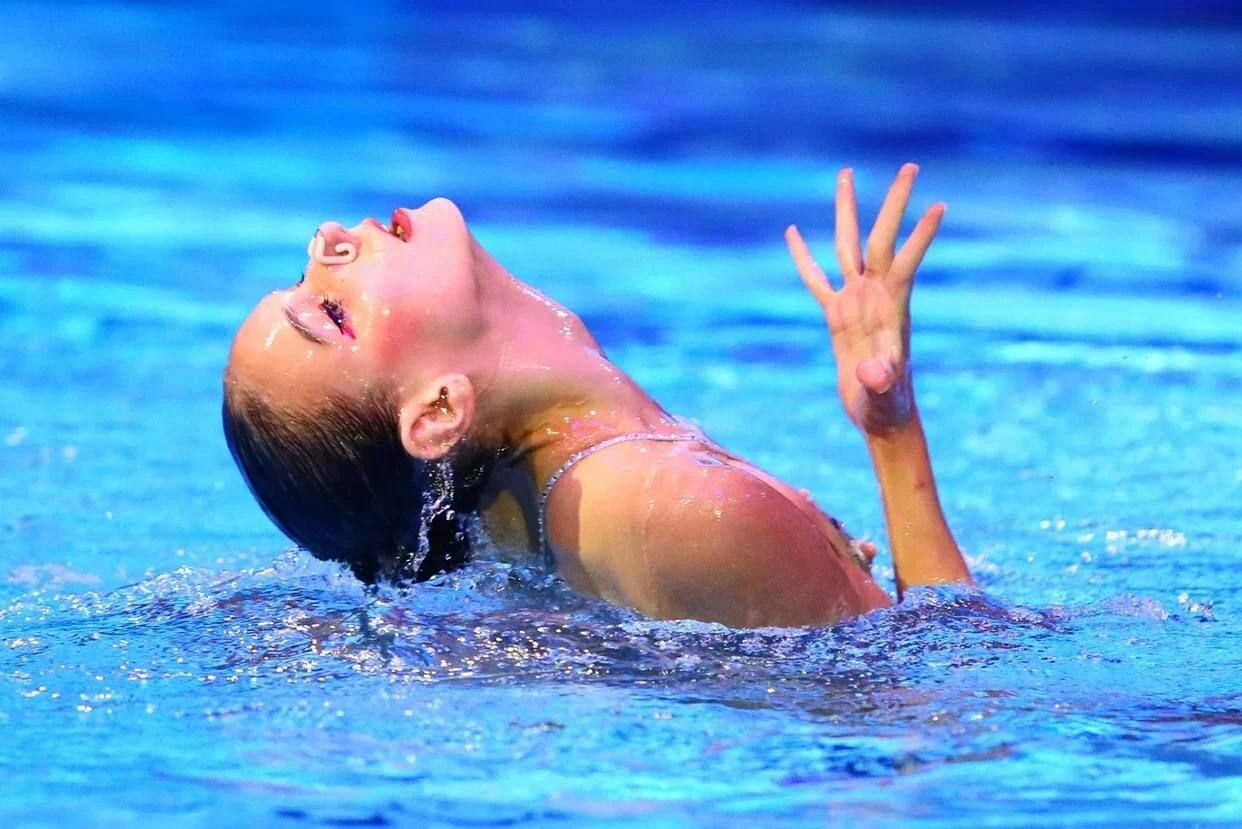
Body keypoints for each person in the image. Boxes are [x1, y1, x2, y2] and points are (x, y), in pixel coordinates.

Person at [223, 163, 973, 628]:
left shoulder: (554, 495)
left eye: (299, 277)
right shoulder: (678, 507)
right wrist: (894, 438)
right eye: (332, 314)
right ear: (439, 412)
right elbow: (948, 701)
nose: (327, 240)